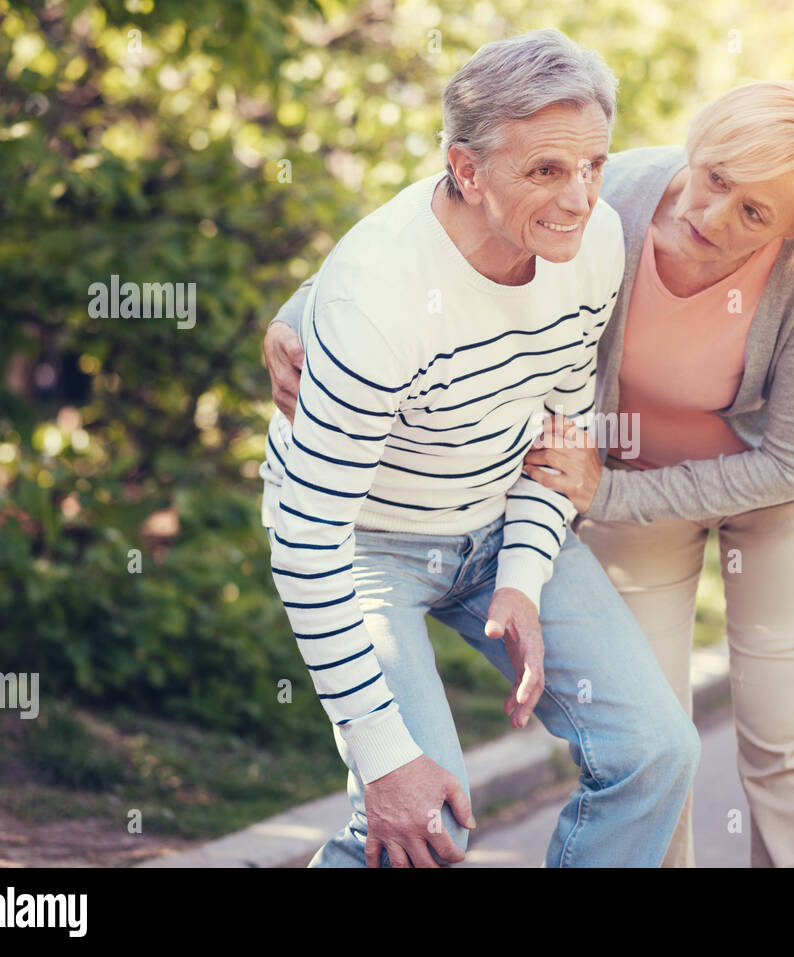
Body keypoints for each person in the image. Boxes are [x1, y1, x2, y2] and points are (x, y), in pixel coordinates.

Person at [269, 79, 794, 868]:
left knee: (784, 734)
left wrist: (599, 493)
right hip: (621, 474)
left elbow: (793, 459)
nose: (712, 216)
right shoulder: (606, 192)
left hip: (778, 486)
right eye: (716, 178)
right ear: (699, 147)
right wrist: (301, 309)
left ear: (793, 230)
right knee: (654, 744)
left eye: (756, 213)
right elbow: (437, 229)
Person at [259, 28, 699, 869]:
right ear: (465, 170)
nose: (579, 198)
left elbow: (559, 442)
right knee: (423, 821)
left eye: (593, 167)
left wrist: (524, 578)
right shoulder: (377, 300)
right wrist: (386, 760)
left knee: (657, 751)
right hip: (365, 547)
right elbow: (307, 539)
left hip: (497, 518)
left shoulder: (594, 242)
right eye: (545, 170)